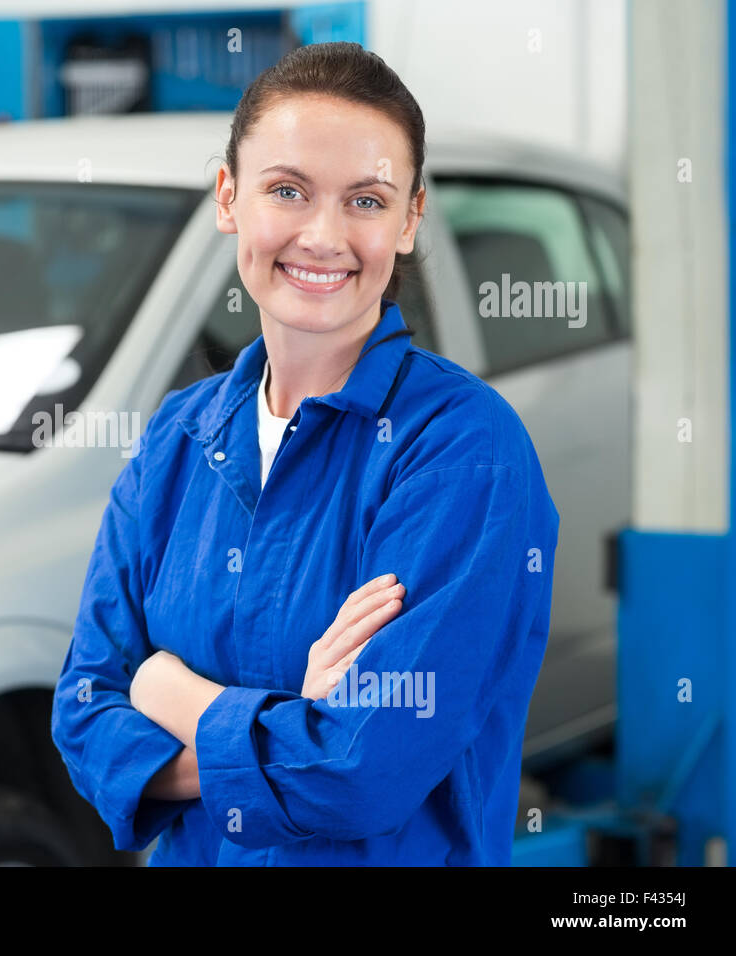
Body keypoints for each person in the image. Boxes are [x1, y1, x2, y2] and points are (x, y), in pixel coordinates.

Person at [49, 41, 559, 866]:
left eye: (366, 199)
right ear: (228, 197)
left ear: (410, 219)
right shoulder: (179, 441)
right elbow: (81, 716)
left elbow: (361, 770)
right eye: (287, 190)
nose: (323, 236)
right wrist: (292, 715)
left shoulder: (463, 452)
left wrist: (168, 689)